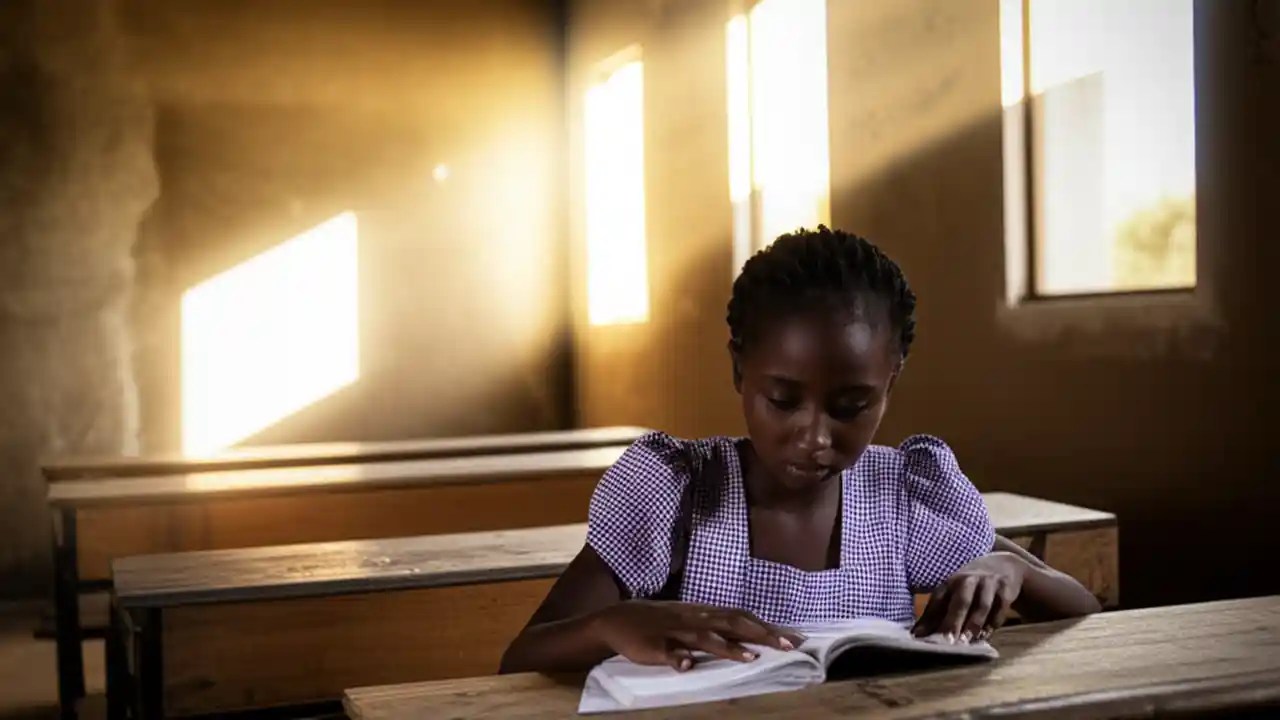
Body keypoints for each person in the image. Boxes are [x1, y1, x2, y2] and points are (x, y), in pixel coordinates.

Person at [500, 226, 1100, 674]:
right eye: (783, 400)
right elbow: (521, 658)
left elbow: (1083, 611)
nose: (815, 438)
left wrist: (1011, 567)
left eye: (851, 407)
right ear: (740, 372)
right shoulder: (677, 494)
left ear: (890, 384)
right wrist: (612, 624)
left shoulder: (901, 498)